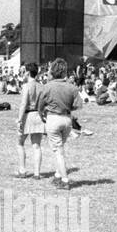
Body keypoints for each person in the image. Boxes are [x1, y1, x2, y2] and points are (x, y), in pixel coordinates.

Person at [35, 57, 80, 190]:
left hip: (53, 119)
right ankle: (57, 175)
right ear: (65, 72)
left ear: (52, 72)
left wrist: (42, 115)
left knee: (58, 152)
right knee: (60, 149)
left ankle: (65, 180)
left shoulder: (47, 87)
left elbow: (40, 105)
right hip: (67, 119)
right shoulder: (72, 88)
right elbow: (77, 105)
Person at [14, 63, 45, 179]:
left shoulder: (26, 86)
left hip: (28, 115)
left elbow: (23, 104)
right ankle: (37, 173)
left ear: (27, 72)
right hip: (38, 116)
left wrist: (19, 120)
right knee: (36, 145)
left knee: (20, 143)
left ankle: (22, 170)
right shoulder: (42, 86)